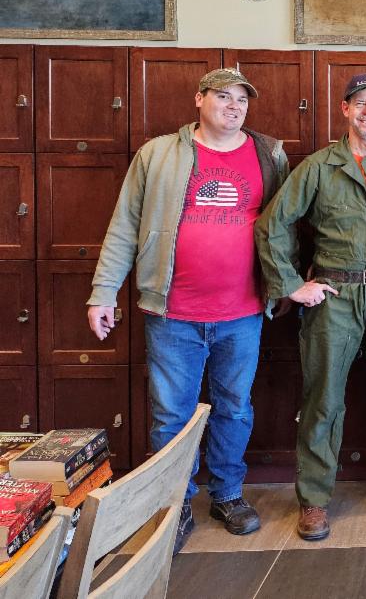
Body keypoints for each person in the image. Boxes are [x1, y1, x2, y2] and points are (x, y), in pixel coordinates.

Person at [87, 68, 288, 554]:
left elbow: (284, 225)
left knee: (234, 408)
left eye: (242, 99)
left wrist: (286, 285)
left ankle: (228, 494)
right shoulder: (157, 154)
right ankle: (172, 503)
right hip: (172, 311)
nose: (234, 106)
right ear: (199, 99)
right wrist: (103, 292)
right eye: (223, 96)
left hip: (242, 312)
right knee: (171, 415)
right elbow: (124, 226)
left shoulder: (269, 154)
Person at [257, 73, 366, 542]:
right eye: (360, 103)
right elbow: (272, 225)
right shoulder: (319, 167)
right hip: (333, 298)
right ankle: (314, 499)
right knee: (323, 398)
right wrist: (292, 286)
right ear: (345, 110)